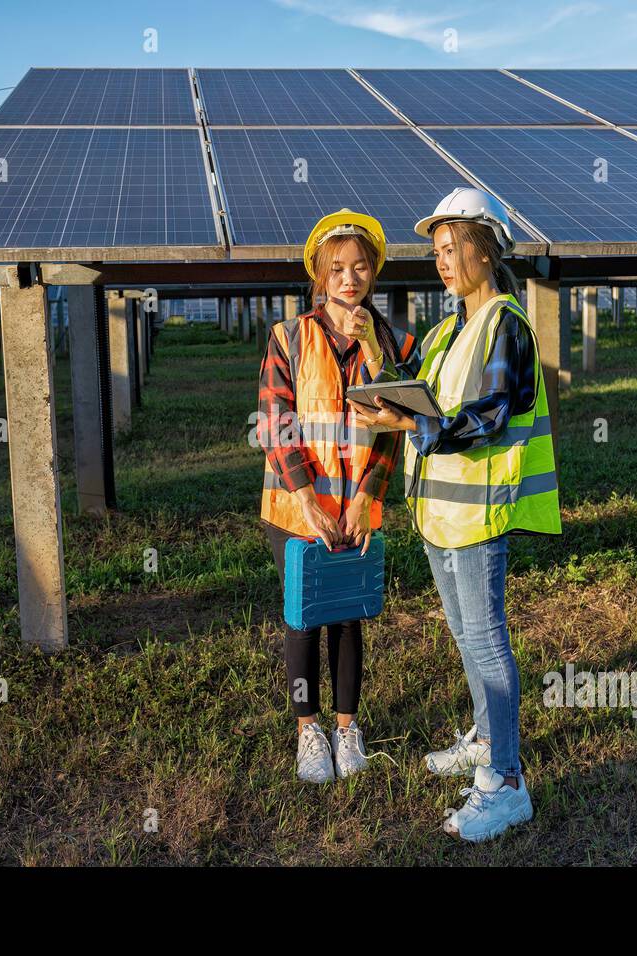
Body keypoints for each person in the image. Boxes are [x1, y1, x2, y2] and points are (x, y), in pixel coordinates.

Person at [351, 187, 561, 841]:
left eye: (453, 248)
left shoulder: (505, 325)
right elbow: (415, 381)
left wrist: (411, 420)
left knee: (488, 641)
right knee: (467, 638)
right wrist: (381, 373)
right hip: (439, 515)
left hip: (477, 514)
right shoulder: (449, 329)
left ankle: (505, 782)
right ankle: (484, 739)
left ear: (484, 249)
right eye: (436, 251)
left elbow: (488, 414)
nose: (443, 261)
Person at [257, 209, 416, 784]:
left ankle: (347, 728)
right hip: (296, 507)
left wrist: (362, 499)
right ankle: (308, 731)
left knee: (347, 618)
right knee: (304, 618)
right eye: (337, 269)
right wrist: (307, 500)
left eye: (360, 268)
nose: (349, 279)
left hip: (356, 506)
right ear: (320, 274)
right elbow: (276, 423)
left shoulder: (395, 342)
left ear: (373, 272)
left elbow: (396, 424)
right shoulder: (289, 337)